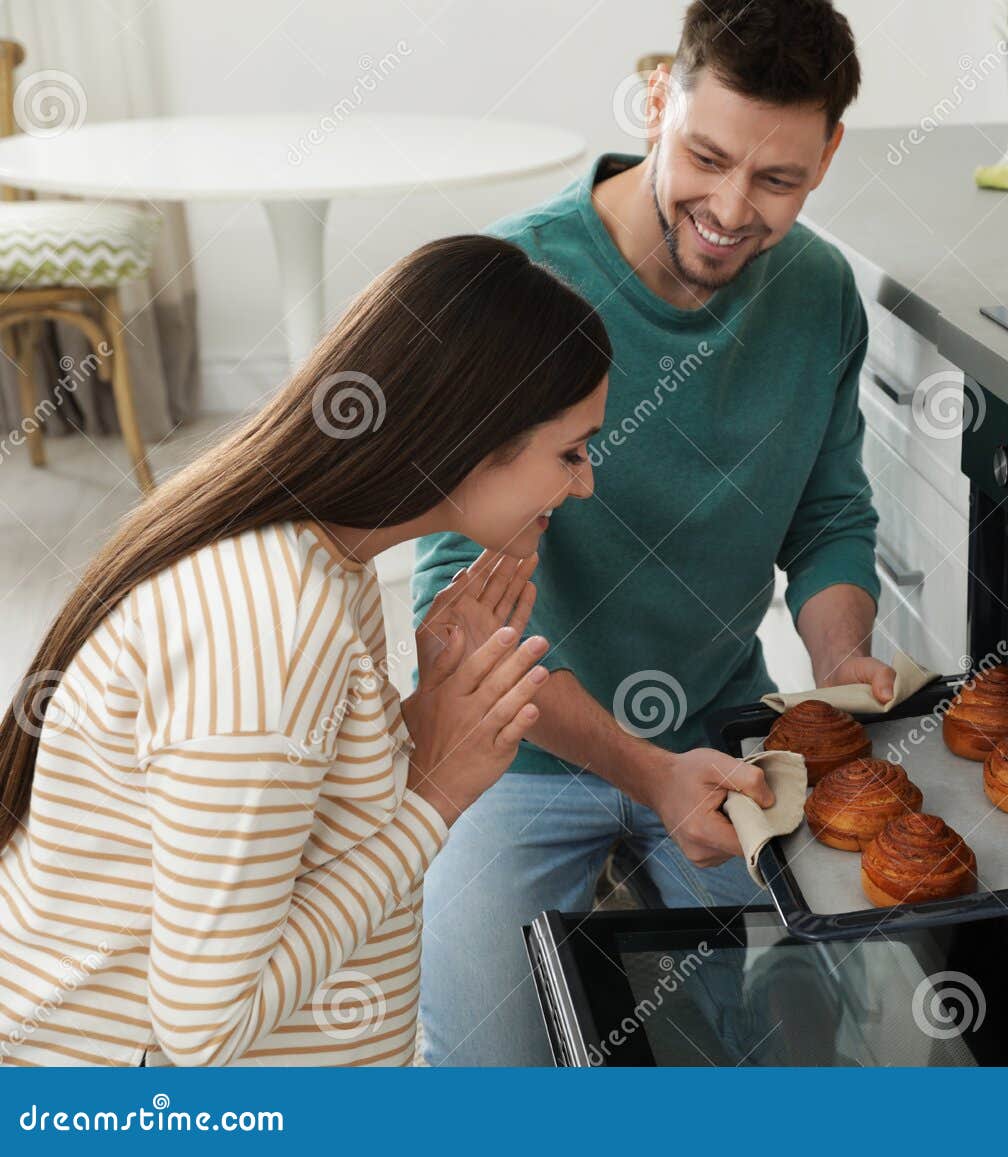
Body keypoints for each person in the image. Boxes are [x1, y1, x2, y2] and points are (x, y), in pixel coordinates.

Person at [413, 0, 889, 1066]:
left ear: (828, 155)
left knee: (748, 1045)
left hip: (719, 726)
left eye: (778, 180)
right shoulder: (519, 286)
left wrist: (840, 657)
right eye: (706, 156)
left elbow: (829, 514)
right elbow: (460, 624)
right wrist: (644, 770)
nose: (729, 208)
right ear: (658, 97)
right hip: (519, 742)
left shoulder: (818, 293)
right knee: (491, 1065)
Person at [0, 235, 611, 1065]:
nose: (585, 484)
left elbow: (282, 819)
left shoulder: (324, 555)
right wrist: (434, 792)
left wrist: (417, 723)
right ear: (474, 435)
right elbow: (203, 1032)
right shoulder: (275, 625)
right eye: (571, 451)